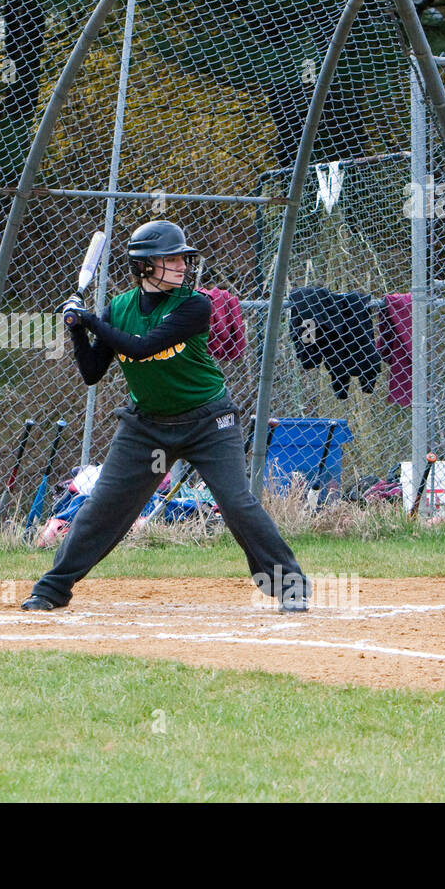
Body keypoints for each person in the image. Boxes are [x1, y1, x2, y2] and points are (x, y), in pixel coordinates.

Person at [21, 220, 311, 613]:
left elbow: (141, 348)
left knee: (237, 503)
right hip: (146, 426)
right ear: (144, 267)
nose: (181, 266)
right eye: (170, 259)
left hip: (209, 421)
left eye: (182, 258)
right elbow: (92, 371)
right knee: (103, 506)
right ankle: (51, 590)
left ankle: (291, 588)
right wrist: (77, 329)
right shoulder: (120, 309)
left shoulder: (195, 305)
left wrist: (90, 321)